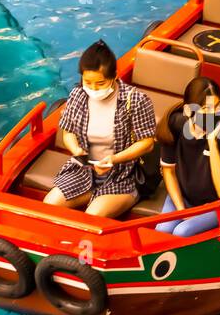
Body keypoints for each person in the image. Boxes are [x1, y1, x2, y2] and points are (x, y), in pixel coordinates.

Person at [45, 39, 157, 218]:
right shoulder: (77, 94)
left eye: (100, 83)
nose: (93, 89)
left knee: (92, 217)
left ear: (114, 76)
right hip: (82, 172)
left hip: (122, 177)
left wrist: (114, 159)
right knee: (49, 206)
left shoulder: (136, 100)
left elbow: (147, 143)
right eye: (88, 82)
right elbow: (68, 132)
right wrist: (75, 149)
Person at [155, 77, 220, 238]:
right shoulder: (175, 125)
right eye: (206, 108)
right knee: (162, 232)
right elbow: (168, 171)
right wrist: (182, 211)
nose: (213, 113)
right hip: (186, 196)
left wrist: (212, 142)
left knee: (182, 231)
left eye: (217, 106)